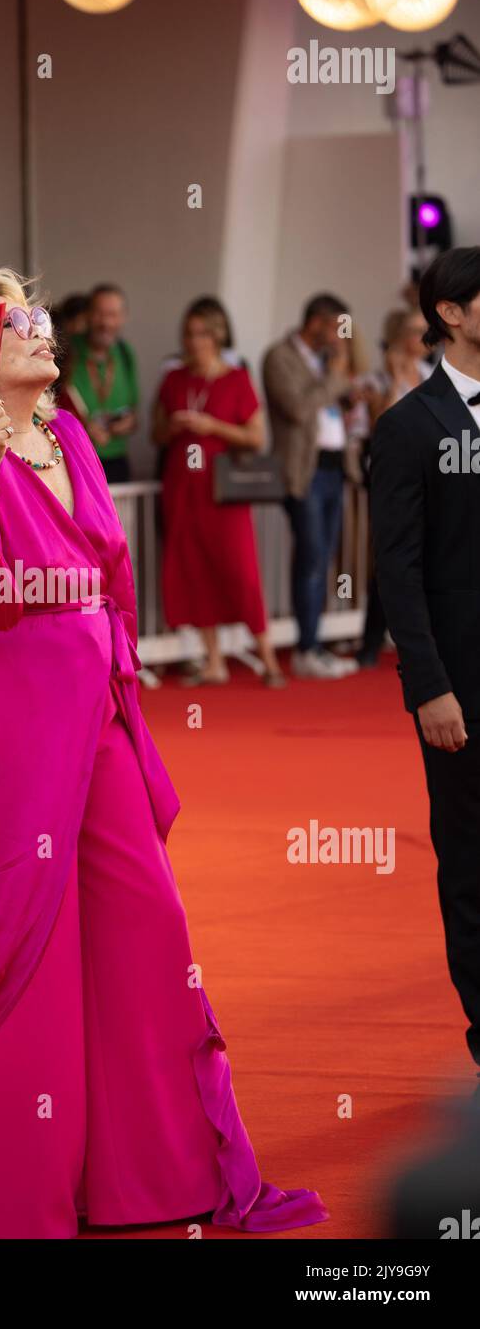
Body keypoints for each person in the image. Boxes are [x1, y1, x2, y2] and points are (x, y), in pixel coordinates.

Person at [0, 266, 327, 1240]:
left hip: (98, 708)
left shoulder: (74, 435)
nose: (49, 334)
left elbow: (111, 572)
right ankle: (27, 1203)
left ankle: (156, 1180)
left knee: (150, 926)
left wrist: (122, 670)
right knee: (27, 951)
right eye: (26, 323)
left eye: (46, 319)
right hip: (6, 723)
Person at [371, 246, 480, 1076]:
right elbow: (397, 573)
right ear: (450, 312)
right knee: (472, 860)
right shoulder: (408, 429)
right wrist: (429, 686)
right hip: (462, 684)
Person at [153, 303, 285, 687]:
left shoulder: (237, 379)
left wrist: (213, 426)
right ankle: (214, 661)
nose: (193, 342)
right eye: (188, 334)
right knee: (194, 569)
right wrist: (177, 427)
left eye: (201, 334)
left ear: (217, 336)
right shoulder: (173, 380)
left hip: (222, 488)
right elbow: (155, 435)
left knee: (241, 570)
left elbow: (257, 437)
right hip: (181, 483)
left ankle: (268, 659)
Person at [263, 294, 359, 680]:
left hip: (335, 468)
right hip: (304, 471)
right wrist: (334, 379)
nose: (339, 336)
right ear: (317, 322)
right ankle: (306, 647)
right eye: (336, 326)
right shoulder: (279, 357)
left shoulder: (322, 360)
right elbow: (297, 409)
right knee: (312, 556)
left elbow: (332, 404)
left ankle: (316, 644)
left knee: (325, 557)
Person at [357, 308, 434, 668]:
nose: (424, 337)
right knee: (391, 557)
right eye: (417, 330)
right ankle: (371, 640)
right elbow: (381, 428)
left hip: (435, 474)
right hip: (393, 478)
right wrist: (394, 379)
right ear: (399, 335)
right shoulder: (376, 380)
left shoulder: (434, 375)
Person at [62, 283, 139, 483]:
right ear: (87, 314)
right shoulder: (67, 351)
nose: (105, 322)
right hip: (76, 459)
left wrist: (127, 423)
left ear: (123, 317)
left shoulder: (124, 352)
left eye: (113, 314)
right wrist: (81, 428)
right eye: (99, 314)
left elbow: (135, 412)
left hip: (116, 460)